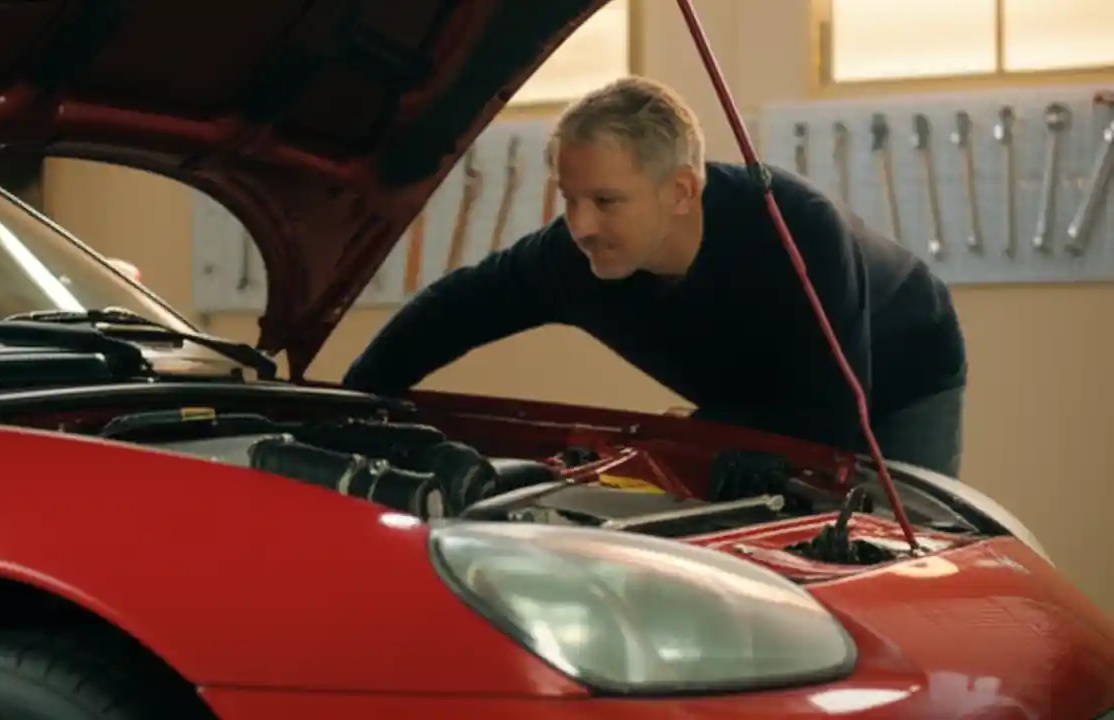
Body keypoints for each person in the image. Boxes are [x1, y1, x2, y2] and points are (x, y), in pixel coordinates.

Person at [343, 76, 968, 478]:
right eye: (570, 197)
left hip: (898, 368)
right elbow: (452, 311)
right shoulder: (570, 259)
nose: (581, 225)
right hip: (760, 391)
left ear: (680, 191)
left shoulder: (796, 233)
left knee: (886, 536)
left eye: (606, 201)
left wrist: (731, 442)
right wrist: (354, 403)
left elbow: (833, 422)